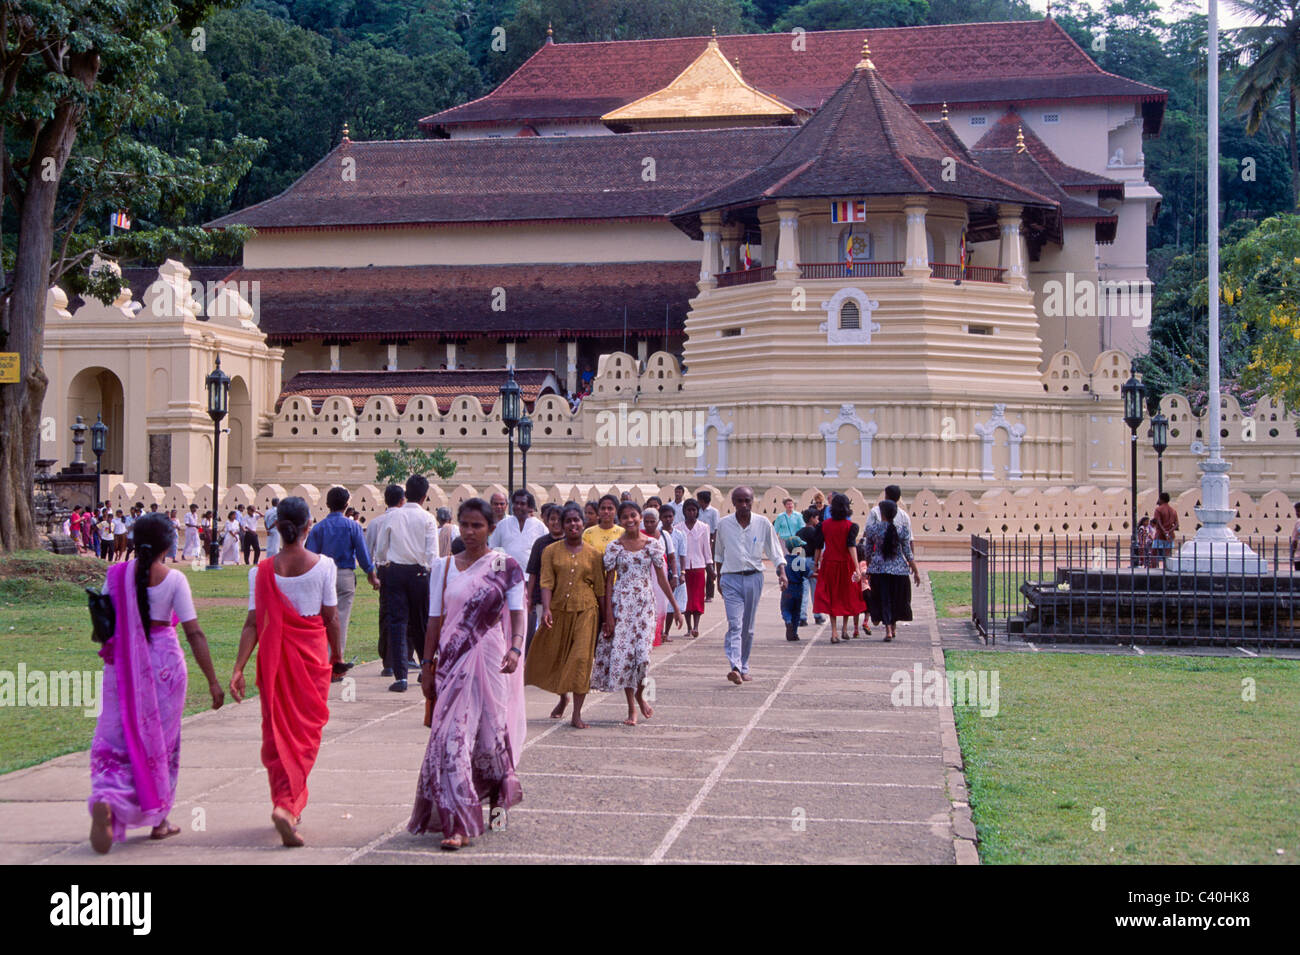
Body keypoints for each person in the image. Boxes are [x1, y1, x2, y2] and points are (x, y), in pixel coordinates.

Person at [87, 513, 224, 854]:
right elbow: (194, 633)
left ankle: (107, 798)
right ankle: (159, 820)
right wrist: (212, 682)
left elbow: (104, 622)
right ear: (168, 544)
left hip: (121, 667)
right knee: (160, 745)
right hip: (164, 666)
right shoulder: (174, 579)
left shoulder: (115, 574)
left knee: (116, 736)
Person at [411, 498, 526, 851]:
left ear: (491, 527)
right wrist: (427, 666)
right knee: (450, 740)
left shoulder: (505, 566)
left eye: (478, 525)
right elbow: (433, 620)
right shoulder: (443, 567)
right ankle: (458, 822)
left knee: (490, 737)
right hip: (451, 662)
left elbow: (518, 613)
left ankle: (497, 807)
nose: (470, 531)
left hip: (491, 660)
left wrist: (516, 648)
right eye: (465, 524)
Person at [230, 497, 342, 847]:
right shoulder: (324, 566)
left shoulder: (259, 572)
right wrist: (337, 657)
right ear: (309, 526)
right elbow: (331, 617)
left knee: (278, 734)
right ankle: (287, 807)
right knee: (305, 737)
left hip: (274, 662)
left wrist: (237, 668)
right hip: (310, 661)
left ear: (276, 527)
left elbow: (252, 624)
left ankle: (285, 802)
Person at [592, 501, 682, 725]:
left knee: (642, 656)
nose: (630, 520)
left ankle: (642, 696)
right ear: (619, 521)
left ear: (640, 517)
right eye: (625, 517)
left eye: (633, 515)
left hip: (644, 606)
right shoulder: (614, 547)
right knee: (625, 658)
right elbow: (608, 582)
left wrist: (676, 608)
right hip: (621, 605)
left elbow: (662, 578)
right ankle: (632, 707)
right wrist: (609, 616)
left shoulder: (651, 545)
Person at [526, 504, 604, 728]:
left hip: (586, 612)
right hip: (559, 610)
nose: (573, 525)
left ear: (583, 523)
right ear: (562, 524)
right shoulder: (549, 551)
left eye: (576, 520)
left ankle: (577, 714)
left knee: (580, 660)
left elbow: (600, 589)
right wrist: (547, 609)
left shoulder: (595, 555)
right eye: (568, 521)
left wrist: (607, 619)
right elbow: (547, 582)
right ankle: (562, 698)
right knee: (558, 658)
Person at [372, 474, 439, 691]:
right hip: (419, 573)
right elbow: (432, 554)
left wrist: (382, 563)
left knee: (397, 623)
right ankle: (424, 668)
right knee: (421, 623)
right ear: (425, 496)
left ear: (405, 494)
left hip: (396, 572)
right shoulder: (428, 519)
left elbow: (382, 546)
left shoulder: (393, 516)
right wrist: (428, 572)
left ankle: (400, 676)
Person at [714, 486, 787, 684]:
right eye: (739, 501)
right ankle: (735, 667)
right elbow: (719, 554)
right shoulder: (724, 524)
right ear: (733, 503)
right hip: (730, 579)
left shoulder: (762, 523)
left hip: (754, 578)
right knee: (735, 624)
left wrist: (782, 572)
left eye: (747, 500)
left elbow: (774, 551)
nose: (744, 505)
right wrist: (718, 578)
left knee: (748, 627)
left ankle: (744, 666)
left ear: (753, 501)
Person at [306, 485, 381, 669]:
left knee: (322, 619)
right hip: (345, 575)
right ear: (347, 505)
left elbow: (309, 555)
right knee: (340, 619)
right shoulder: (352, 526)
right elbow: (363, 555)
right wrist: (371, 575)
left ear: (327, 504)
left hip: (322, 576)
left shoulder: (318, 528)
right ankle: (335, 662)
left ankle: (321, 660)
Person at [862, 499, 921, 642]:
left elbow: (868, 552)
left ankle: (888, 628)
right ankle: (893, 627)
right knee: (896, 599)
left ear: (881, 513)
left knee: (884, 599)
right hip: (899, 570)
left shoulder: (873, 529)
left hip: (879, 569)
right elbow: (908, 553)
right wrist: (916, 571)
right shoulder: (901, 529)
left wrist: (867, 568)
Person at [366, 484, 406, 676]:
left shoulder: (375, 523)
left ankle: (388, 661)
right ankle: (403, 659)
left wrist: (373, 573)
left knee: (386, 615)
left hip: (384, 570)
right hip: (404, 569)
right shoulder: (407, 519)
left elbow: (369, 552)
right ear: (402, 501)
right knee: (405, 616)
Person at [815, 493, 864, 643]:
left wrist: (816, 563)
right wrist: (857, 567)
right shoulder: (851, 527)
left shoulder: (823, 525)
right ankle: (844, 629)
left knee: (832, 596)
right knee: (846, 595)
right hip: (845, 564)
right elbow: (851, 547)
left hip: (829, 564)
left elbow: (818, 547)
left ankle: (834, 632)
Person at [524, 504, 564, 650]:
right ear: (547, 521)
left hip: (564, 598)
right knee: (545, 633)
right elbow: (533, 572)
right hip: (542, 598)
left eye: (559, 519)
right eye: (552, 519)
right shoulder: (540, 543)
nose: (556, 522)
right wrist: (529, 599)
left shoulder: (570, 542)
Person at [489, 489, 549, 583]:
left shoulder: (539, 526)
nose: (518, 506)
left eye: (522, 504)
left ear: (529, 507)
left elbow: (548, 551)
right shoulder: (503, 525)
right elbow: (492, 550)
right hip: (508, 579)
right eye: (516, 503)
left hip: (531, 579)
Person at [642, 507, 676, 646]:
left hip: (660, 575)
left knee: (661, 605)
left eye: (652, 521)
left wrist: (675, 575)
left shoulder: (665, 536)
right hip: (645, 575)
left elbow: (672, 557)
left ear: (658, 521)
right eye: (646, 522)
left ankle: (658, 635)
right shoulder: (639, 536)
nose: (649, 525)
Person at [680, 498, 711, 639]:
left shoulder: (703, 528)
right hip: (684, 567)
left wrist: (710, 566)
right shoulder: (678, 528)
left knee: (698, 597)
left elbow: (707, 549)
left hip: (699, 566)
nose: (691, 513)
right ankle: (688, 627)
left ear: (697, 512)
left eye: (694, 510)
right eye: (688, 510)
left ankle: (696, 626)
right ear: (684, 511)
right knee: (686, 597)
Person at [660, 506, 688, 640]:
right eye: (665, 516)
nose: (668, 519)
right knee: (660, 603)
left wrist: (682, 573)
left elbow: (682, 555)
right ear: (660, 518)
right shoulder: (657, 534)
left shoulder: (679, 534)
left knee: (672, 602)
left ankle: (666, 632)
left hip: (674, 573)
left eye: (670, 516)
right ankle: (658, 631)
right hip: (660, 572)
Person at [796, 507, 826, 625]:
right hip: (812, 560)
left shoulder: (799, 532)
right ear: (812, 518)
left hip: (801, 560)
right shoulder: (815, 532)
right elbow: (818, 548)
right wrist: (818, 562)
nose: (818, 520)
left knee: (803, 589)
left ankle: (802, 616)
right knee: (815, 590)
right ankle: (817, 614)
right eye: (817, 517)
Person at [697, 490, 720, 600]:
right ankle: (700, 592)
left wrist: (712, 543)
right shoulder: (698, 511)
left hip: (710, 538)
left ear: (703, 501)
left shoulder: (714, 512)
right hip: (698, 537)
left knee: (710, 566)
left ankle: (710, 594)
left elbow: (715, 529)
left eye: (699, 500)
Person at [1152, 492, 1179, 566]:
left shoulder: (1158, 509)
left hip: (1160, 535)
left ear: (1161, 499)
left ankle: (1153, 569)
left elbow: (1158, 522)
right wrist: (1169, 532)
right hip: (1170, 535)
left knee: (1154, 552)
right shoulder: (1173, 510)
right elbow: (1177, 524)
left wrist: (1164, 532)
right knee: (1167, 553)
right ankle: (1166, 568)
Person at [1291, 502, 1300, 571]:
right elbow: (1294, 541)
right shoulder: (1298, 523)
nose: (1297, 513)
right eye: (1296, 511)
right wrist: (1292, 555)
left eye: (1299, 511)